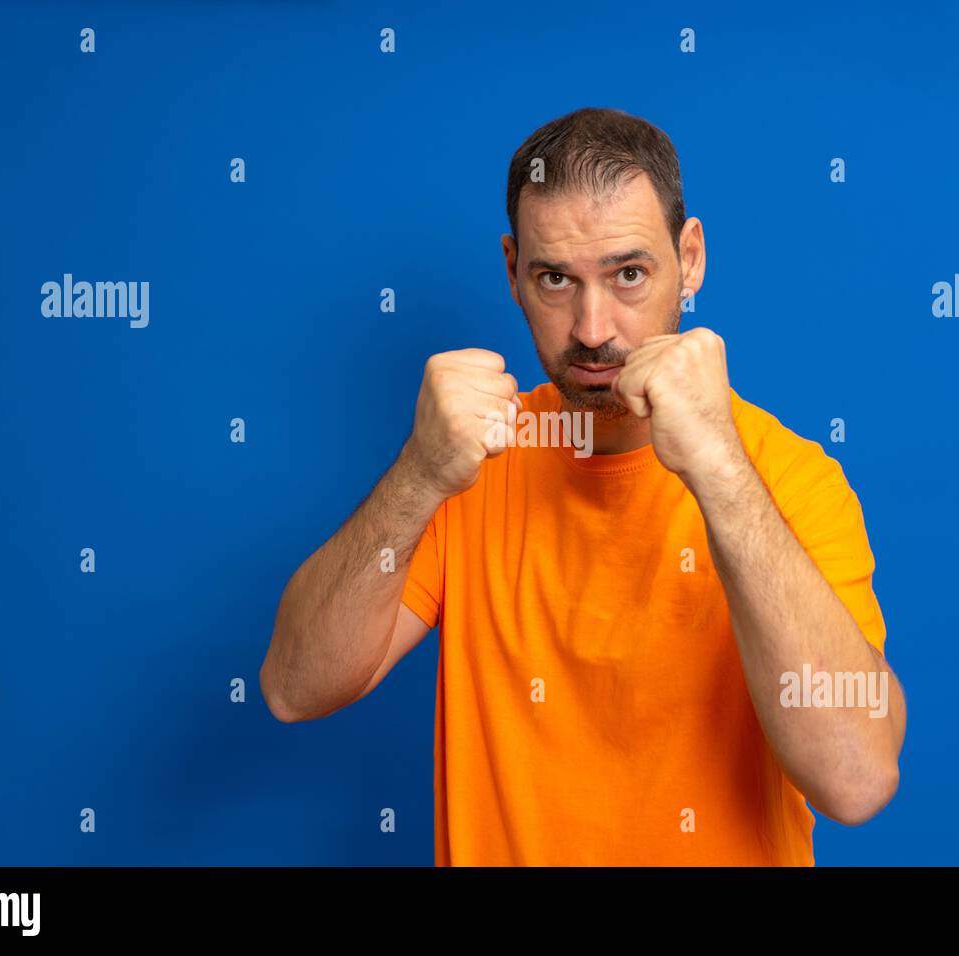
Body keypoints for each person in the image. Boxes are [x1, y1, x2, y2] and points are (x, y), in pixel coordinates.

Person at [259, 107, 906, 866]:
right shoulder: (471, 464)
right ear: (511, 271)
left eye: (629, 274)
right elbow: (293, 687)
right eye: (556, 279)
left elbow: (856, 778)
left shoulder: (789, 476)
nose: (593, 327)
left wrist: (722, 475)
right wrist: (418, 475)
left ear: (689, 259)